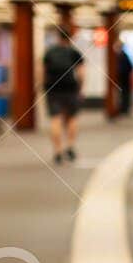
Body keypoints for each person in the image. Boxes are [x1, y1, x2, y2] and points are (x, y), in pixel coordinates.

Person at [42, 26, 85, 165]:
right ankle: (70, 147)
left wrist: (42, 86)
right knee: (72, 118)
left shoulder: (49, 52)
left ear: (58, 38)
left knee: (56, 119)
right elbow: (81, 73)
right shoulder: (74, 52)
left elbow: (41, 71)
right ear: (70, 38)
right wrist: (80, 88)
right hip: (70, 88)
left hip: (53, 88)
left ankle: (58, 151)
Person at [115, 45, 133, 117]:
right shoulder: (118, 56)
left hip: (125, 80)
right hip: (121, 80)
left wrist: (121, 72)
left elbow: (130, 67)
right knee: (122, 94)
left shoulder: (124, 56)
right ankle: (123, 108)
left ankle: (125, 108)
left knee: (125, 94)